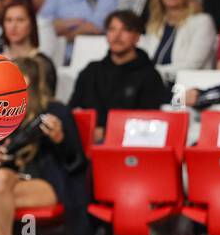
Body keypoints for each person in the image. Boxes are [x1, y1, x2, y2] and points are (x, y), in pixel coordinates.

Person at [0, 56, 85, 235]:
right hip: (9, 184)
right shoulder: (3, 114)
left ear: (25, 80)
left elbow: (76, 159)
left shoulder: (55, 110)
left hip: (46, 183)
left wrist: (60, 139)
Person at [67, 10, 169, 139]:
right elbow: (73, 109)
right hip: (86, 141)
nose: (117, 36)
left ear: (137, 36)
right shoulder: (91, 71)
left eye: (125, 30)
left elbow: (148, 123)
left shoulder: (150, 76)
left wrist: (106, 133)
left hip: (130, 144)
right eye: (112, 29)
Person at [139, 0, 216, 83]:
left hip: (186, 88)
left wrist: (151, 73)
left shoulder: (202, 22)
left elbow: (192, 65)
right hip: (153, 86)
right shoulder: (155, 24)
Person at [0, 0, 57, 96]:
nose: (13, 26)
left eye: (20, 20)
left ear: (31, 24)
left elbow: (47, 99)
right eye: (9, 20)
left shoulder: (43, 63)